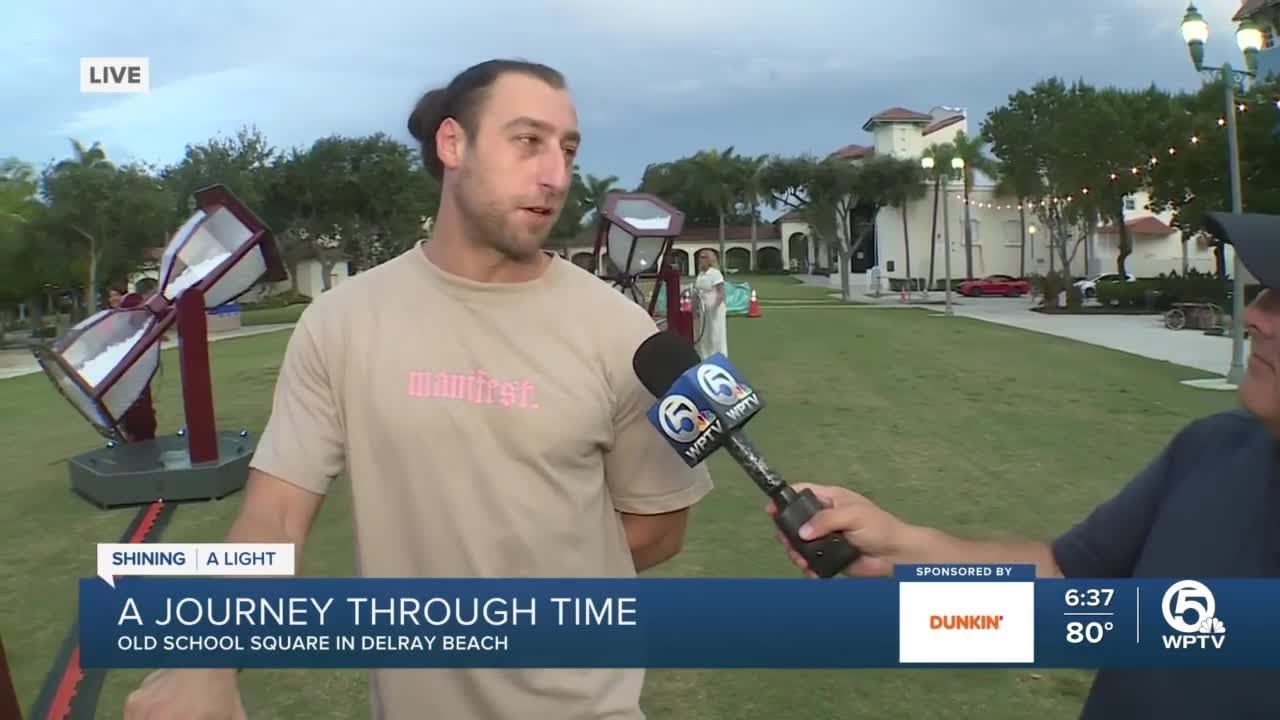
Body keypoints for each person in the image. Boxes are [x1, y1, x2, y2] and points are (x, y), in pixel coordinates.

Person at [123, 59, 713, 720]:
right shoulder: (342, 323)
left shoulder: (620, 331)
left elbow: (659, 526)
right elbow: (274, 517)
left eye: (568, 150)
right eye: (528, 141)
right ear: (453, 144)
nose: (555, 175)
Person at [767, 215, 1280, 718]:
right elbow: (1061, 586)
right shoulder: (1214, 450)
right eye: (1264, 292)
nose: (1255, 316)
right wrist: (896, 552)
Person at [694, 249, 727, 358]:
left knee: (715, 333)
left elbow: (721, 293)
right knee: (704, 333)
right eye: (700, 257)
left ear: (710, 260)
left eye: (704, 257)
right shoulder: (700, 274)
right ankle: (704, 356)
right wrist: (696, 308)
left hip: (714, 309)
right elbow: (698, 291)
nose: (701, 260)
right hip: (703, 308)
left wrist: (715, 306)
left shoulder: (715, 274)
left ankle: (718, 356)